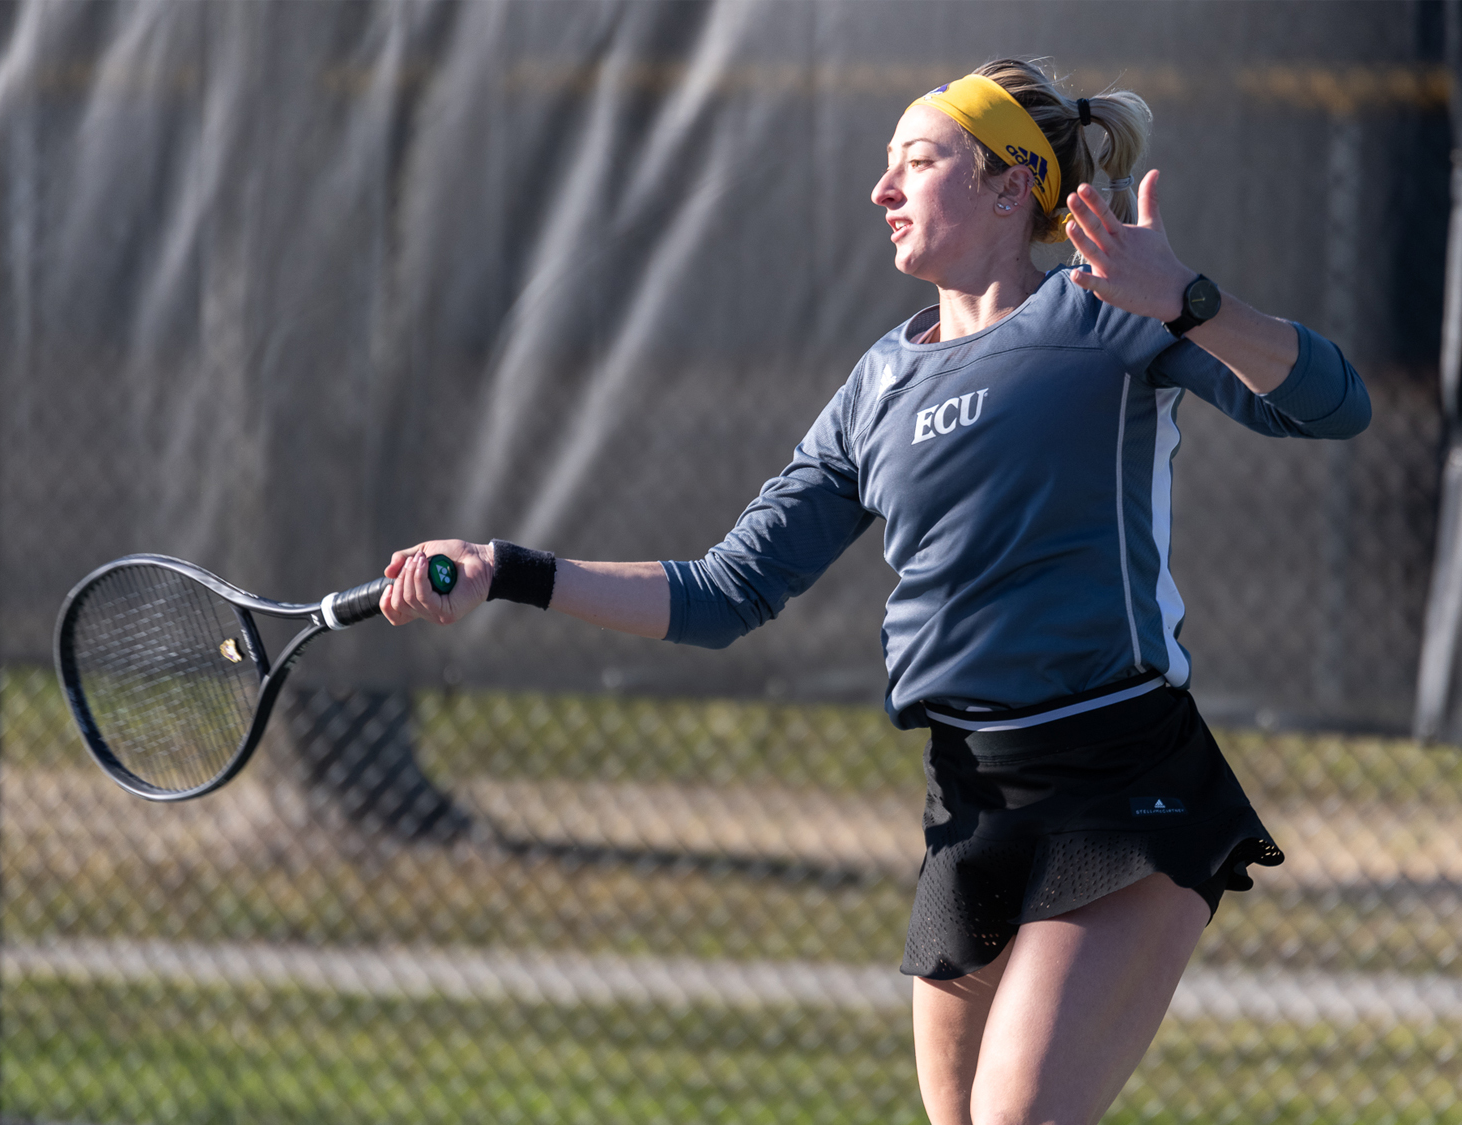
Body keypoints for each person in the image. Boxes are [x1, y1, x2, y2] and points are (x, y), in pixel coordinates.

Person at [378, 57, 1368, 1125]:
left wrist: (1188, 302)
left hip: (1123, 787)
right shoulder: (877, 385)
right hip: (970, 803)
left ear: (1007, 186)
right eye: (883, 168)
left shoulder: (1112, 318)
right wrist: (508, 571)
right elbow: (726, 592)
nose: (880, 190)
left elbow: (1331, 406)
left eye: (915, 161)